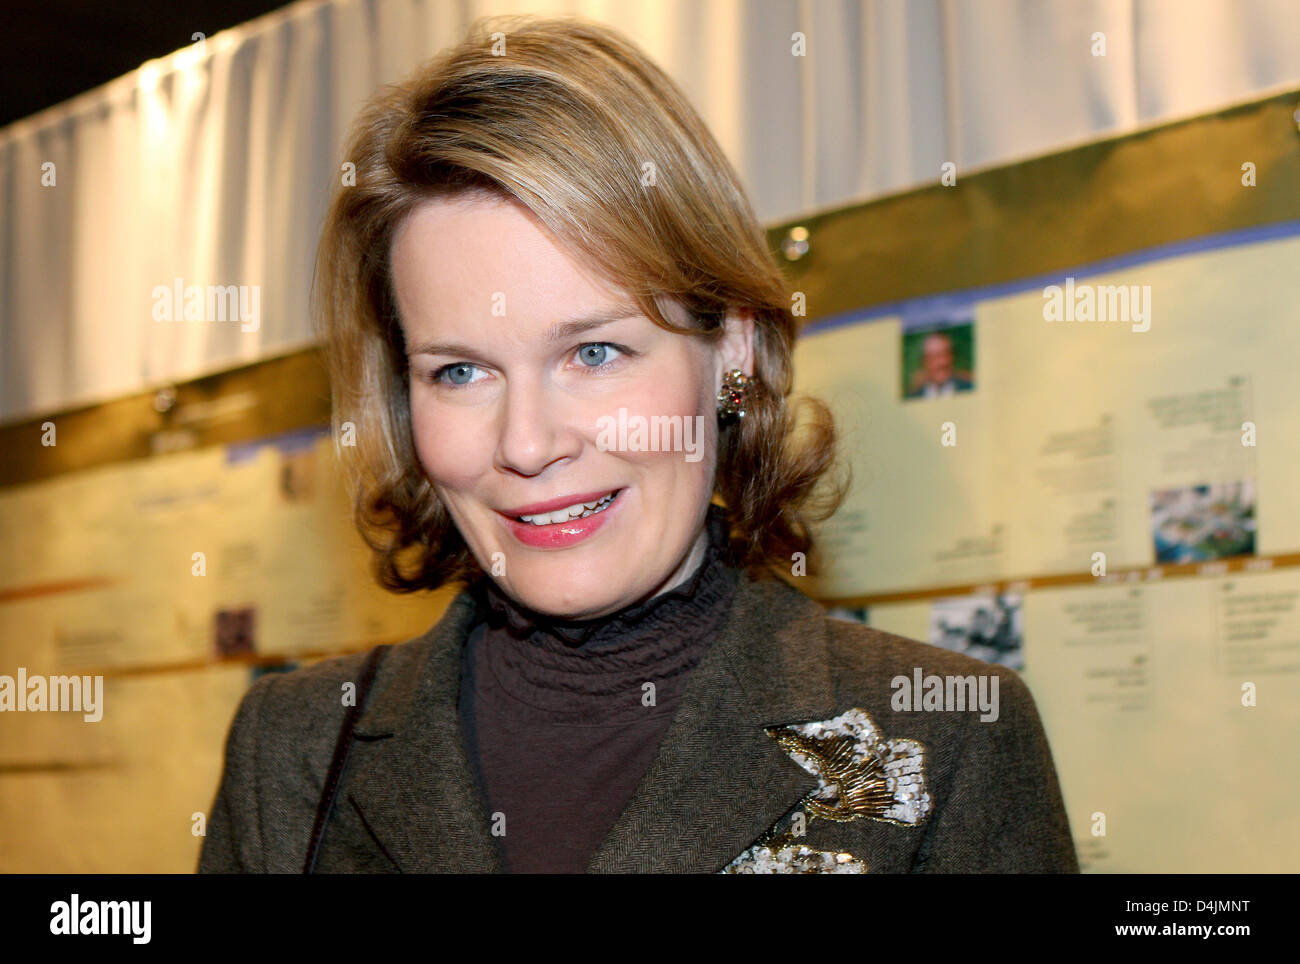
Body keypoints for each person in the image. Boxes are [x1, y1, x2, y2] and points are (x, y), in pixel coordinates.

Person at [198, 13, 1077, 874]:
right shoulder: (296, 749)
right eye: (461, 372)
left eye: (594, 352)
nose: (528, 445)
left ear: (729, 347)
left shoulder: (944, 737)